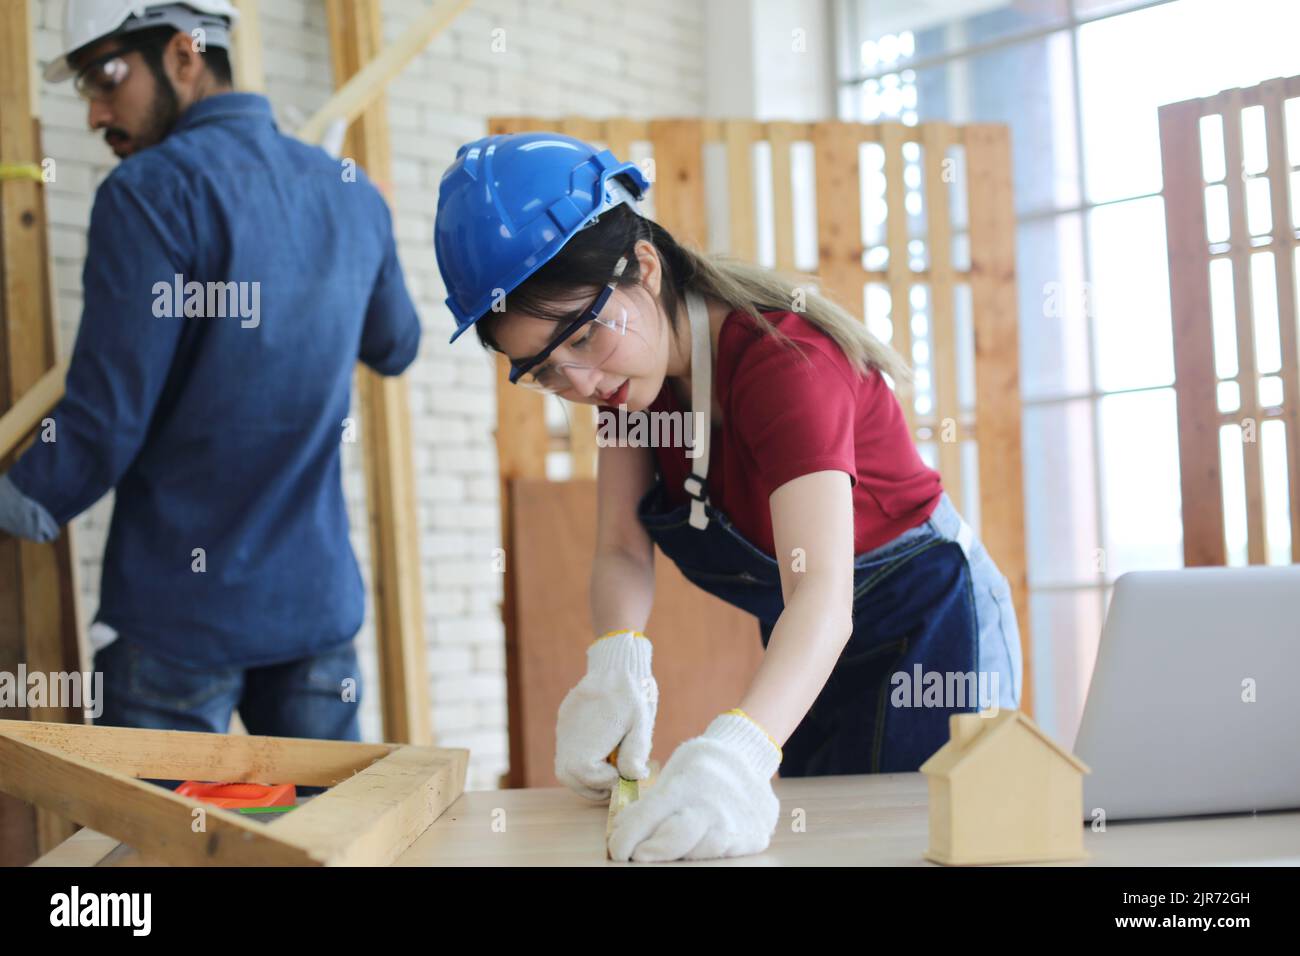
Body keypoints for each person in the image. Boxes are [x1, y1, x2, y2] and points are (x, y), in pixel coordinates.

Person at [433, 132, 1022, 861]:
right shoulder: (630, 389)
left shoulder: (785, 364)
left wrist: (733, 756)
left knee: (925, 846)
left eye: (582, 337)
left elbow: (822, 595)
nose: (580, 385)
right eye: (544, 371)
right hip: (810, 645)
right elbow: (620, 547)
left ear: (643, 268)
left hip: (929, 623)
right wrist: (615, 662)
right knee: (824, 849)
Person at [0, 1, 421, 744]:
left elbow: (105, 414)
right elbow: (396, 345)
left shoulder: (146, 193)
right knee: (323, 851)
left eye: (107, 77)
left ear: (185, 56)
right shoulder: (348, 192)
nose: (97, 113)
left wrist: (19, 498)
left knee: (158, 853)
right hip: (313, 611)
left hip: (176, 623)